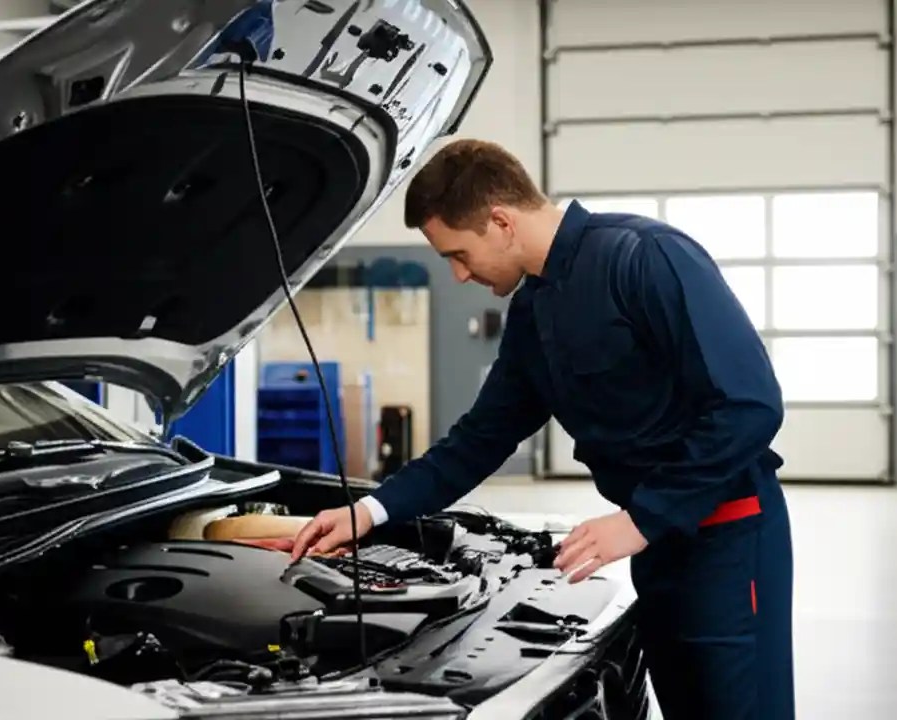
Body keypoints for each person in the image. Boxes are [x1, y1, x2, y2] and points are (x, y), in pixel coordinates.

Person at [290, 139, 795, 719]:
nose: (458, 275)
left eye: (459, 254)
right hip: (655, 546)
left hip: (728, 539)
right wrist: (368, 512)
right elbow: (480, 438)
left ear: (501, 222)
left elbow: (750, 406)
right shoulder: (533, 311)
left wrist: (642, 518)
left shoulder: (645, 257)